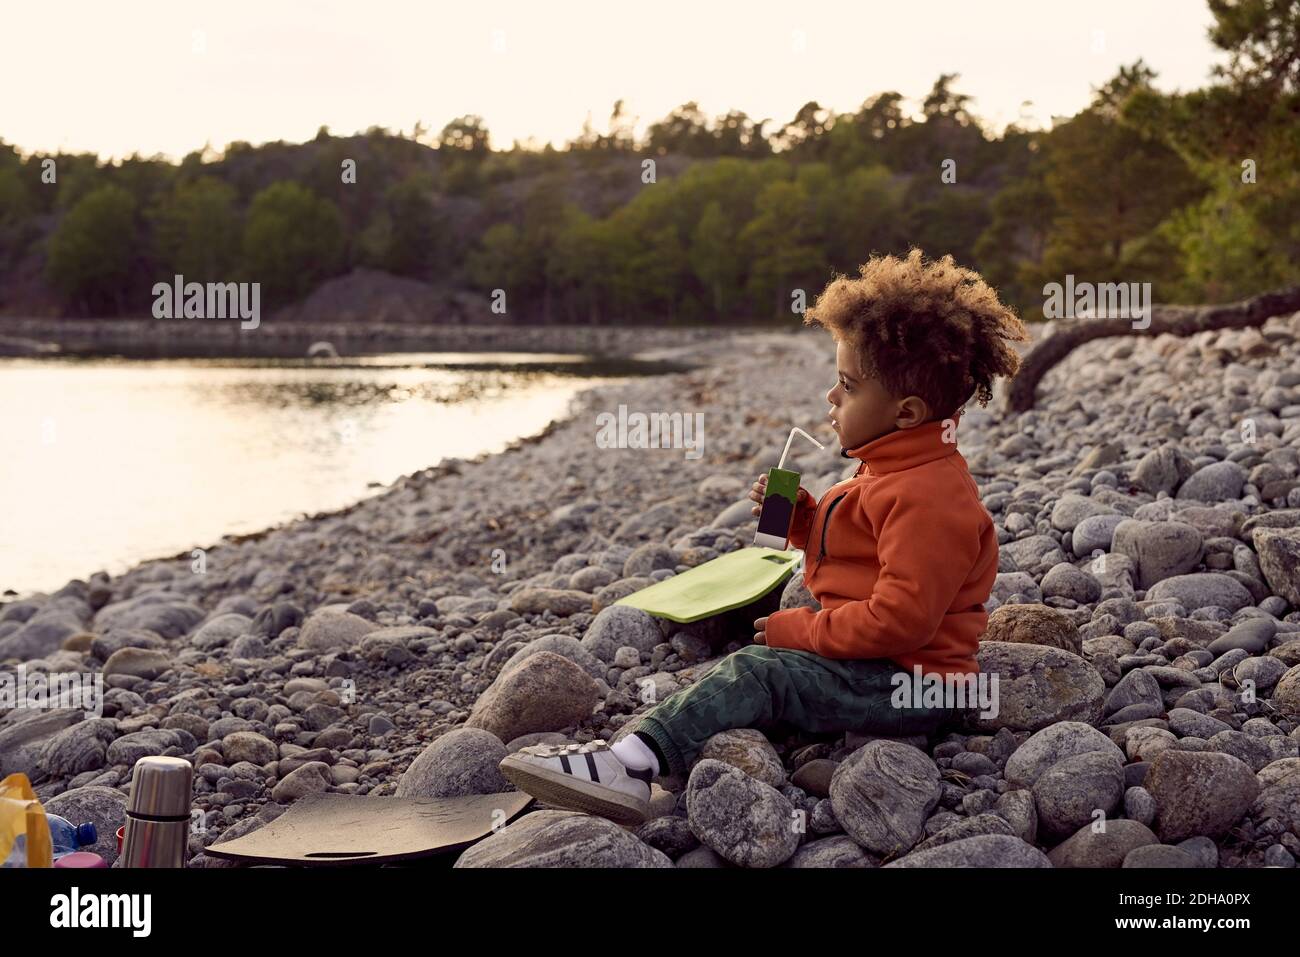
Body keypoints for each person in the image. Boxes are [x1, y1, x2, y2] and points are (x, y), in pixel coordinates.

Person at [499, 249, 1029, 824]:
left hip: (910, 684)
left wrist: (801, 631)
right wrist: (803, 521)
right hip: (883, 667)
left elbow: (904, 620)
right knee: (757, 653)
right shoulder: (895, 466)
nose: (832, 397)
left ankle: (630, 766)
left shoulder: (928, 496)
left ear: (906, 412)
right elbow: (862, 552)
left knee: (758, 669)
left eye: (847, 386)